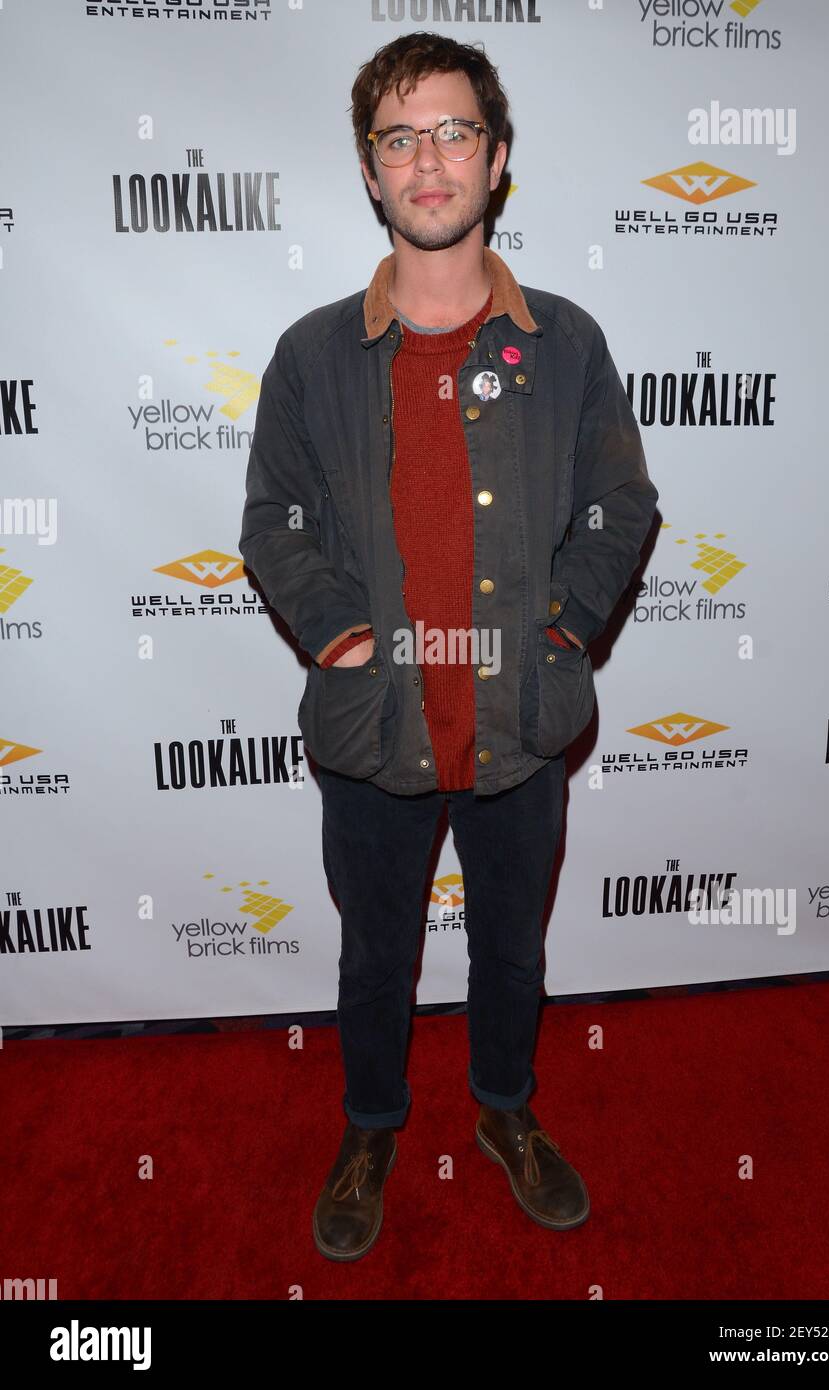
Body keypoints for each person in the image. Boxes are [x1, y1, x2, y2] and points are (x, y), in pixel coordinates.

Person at [238, 31, 659, 1262]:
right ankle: (373, 1122)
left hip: (522, 720)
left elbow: (620, 503)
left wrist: (570, 624)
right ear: (371, 173)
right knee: (375, 949)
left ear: (499, 156)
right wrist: (340, 629)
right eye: (400, 137)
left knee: (511, 948)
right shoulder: (312, 356)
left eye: (455, 130)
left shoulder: (566, 342)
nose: (430, 160)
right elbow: (273, 518)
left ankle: (505, 1112)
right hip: (375, 729)